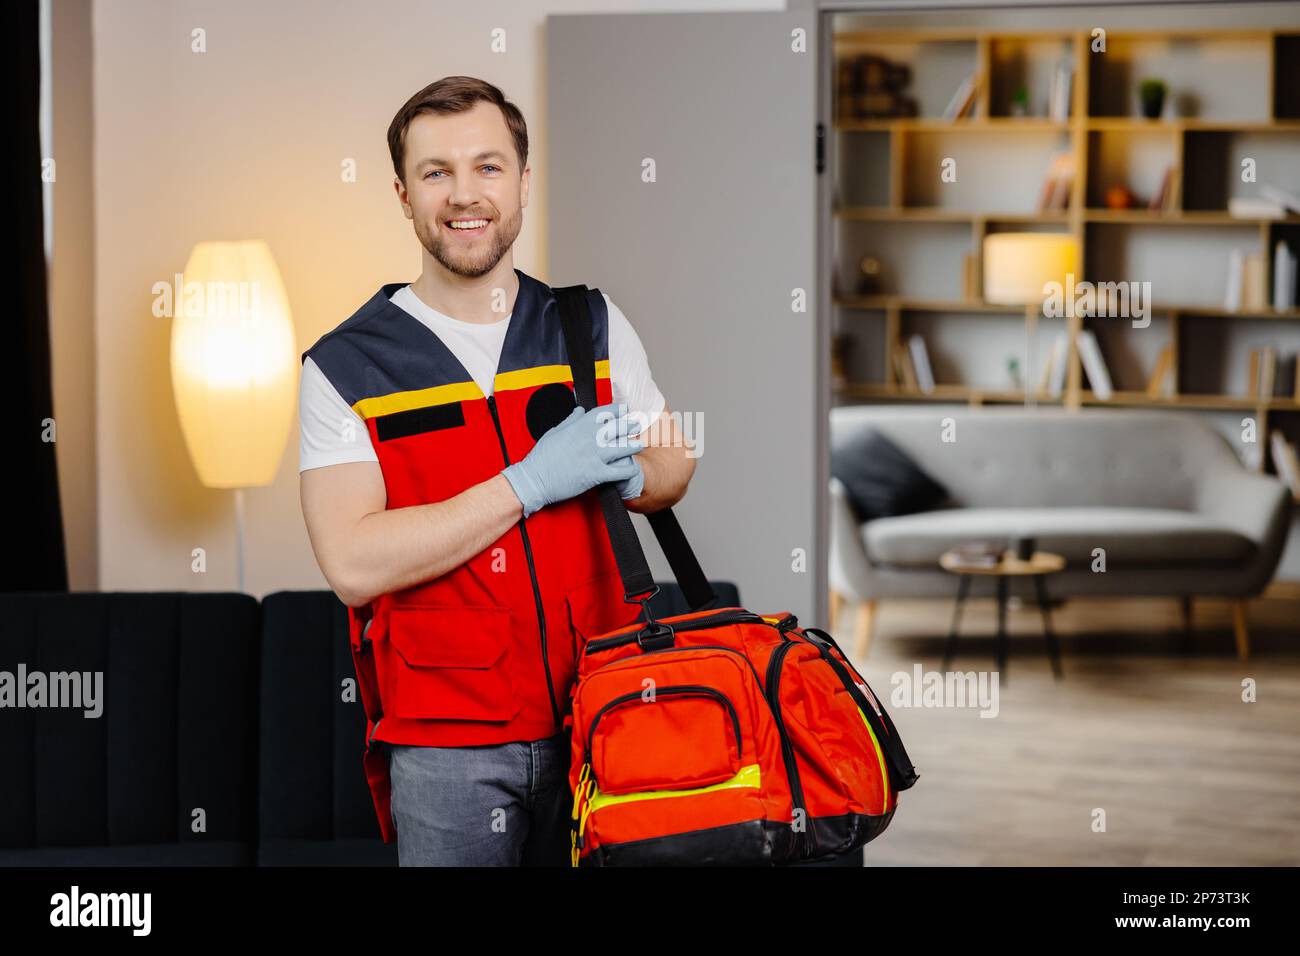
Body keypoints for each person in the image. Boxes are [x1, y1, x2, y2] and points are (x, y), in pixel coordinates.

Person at [298, 76, 696, 866]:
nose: (463, 194)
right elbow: (352, 562)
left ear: (521, 182)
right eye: (435, 171)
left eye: (487, 166)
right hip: (448, 745)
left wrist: (626, 475)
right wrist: (531, 482)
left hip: (607, 710)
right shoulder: (345, 365)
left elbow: (673, 464)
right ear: (404, 195)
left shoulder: (589, 322)